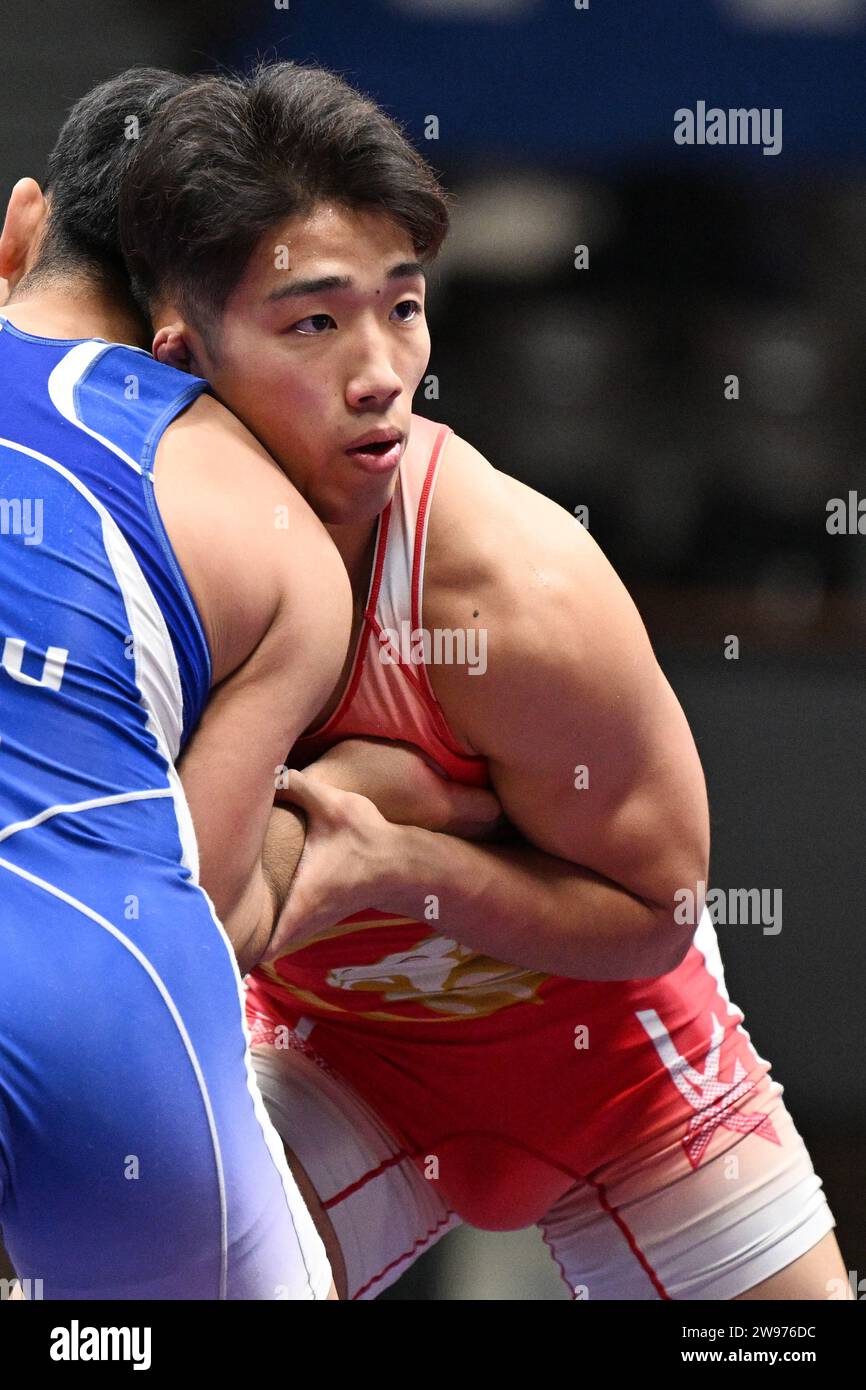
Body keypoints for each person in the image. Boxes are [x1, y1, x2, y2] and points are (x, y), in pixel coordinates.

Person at [120, 62, 850, 1300]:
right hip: (339, 1059)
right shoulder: (132, 563)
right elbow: (162, 908)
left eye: (399, 309)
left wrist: (405, 859)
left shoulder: (514, 589)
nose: (378, 372)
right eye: (314, 321)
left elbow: (655, 912)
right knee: (124, 1289)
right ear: (183, 352)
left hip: (626, 1078)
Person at [0, 67, 360, 1299]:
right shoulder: (274, 532)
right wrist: (342, 839)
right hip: (94, 992)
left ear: (19, 229)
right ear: (189, 322)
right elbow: (202, 892)